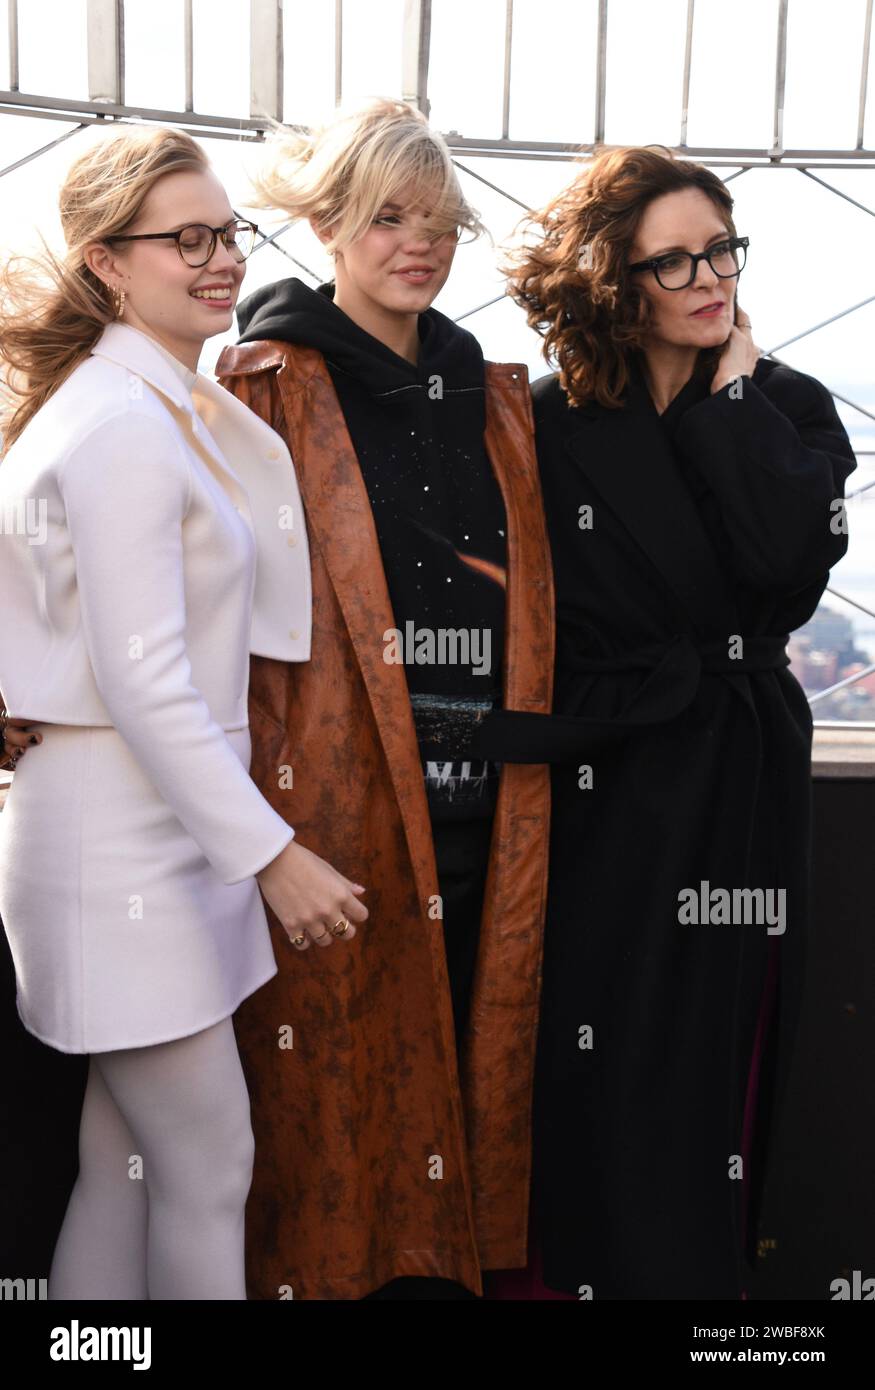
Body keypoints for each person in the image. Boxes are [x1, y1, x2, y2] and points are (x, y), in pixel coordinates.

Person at [471, 144, 857, 1299]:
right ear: (614, 279)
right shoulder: (541, 420)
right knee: (584, 1044)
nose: (708, 278)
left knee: (705, 1055)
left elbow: (787, 563)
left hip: (730, 767)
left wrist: (729, 406)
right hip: (597, 771)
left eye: (720, 250)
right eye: (673, 260)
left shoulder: (780, 403)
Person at [0, 125, 364, 1300]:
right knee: (208, 1169)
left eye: (228, 233)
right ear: (108, 261)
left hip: (141, 829)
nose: (220, 260)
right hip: (122, 843)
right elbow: (146, 678)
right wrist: (276, 858)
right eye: (187, 239)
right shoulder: (119, 424)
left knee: (128, 1167)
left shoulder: (135, 406)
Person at [214, 97, 554, 1299]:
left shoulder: (492, 396)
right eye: (385, 217)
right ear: (326, 224)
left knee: (465, 1094)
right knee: (328, 1119)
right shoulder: (261, 384)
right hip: (334, 815)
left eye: (440, 221)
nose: (418, 243)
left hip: (489, 806)